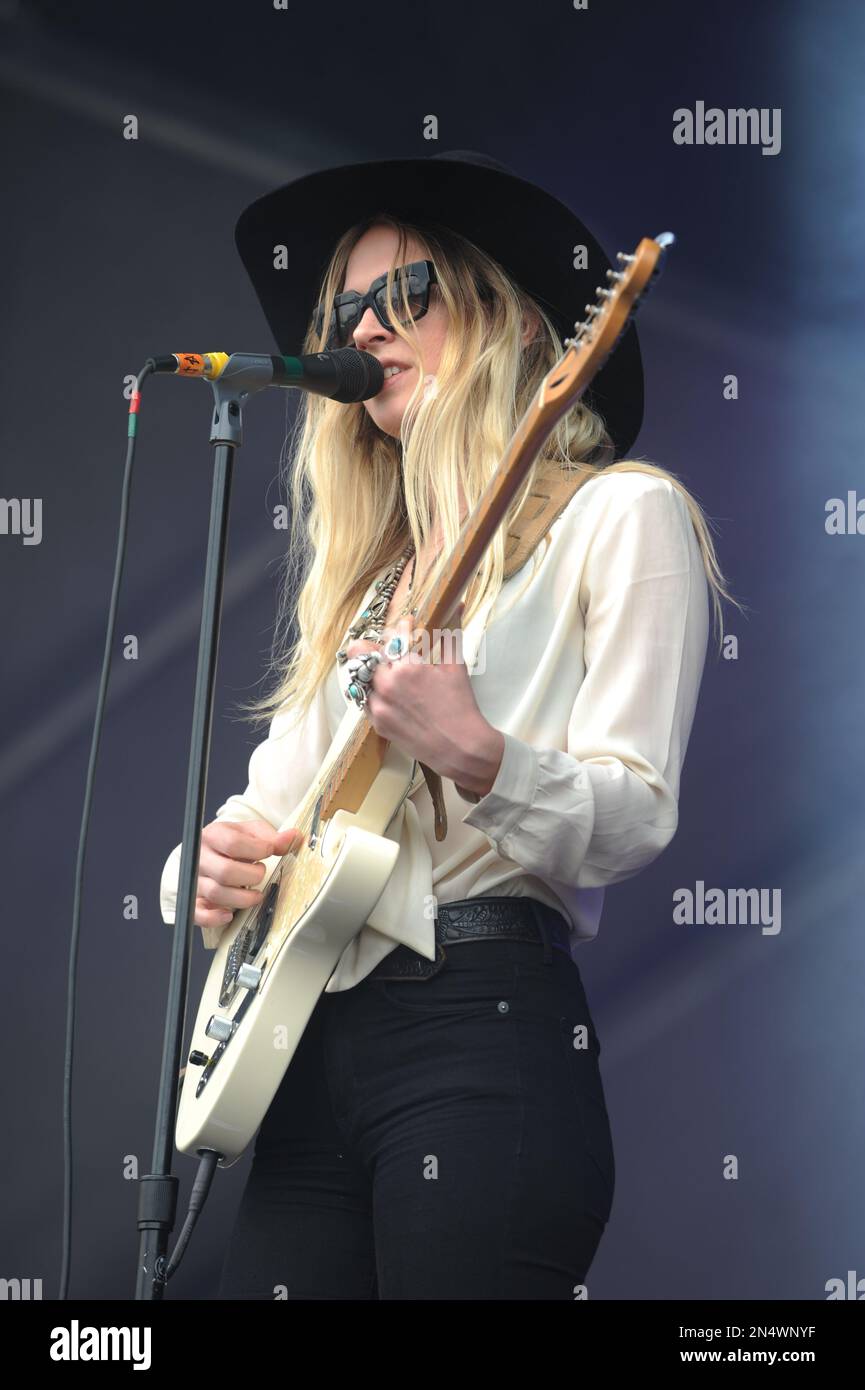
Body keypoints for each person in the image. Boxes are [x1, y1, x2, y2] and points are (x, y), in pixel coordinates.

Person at [159, 151, 740, 1299]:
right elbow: (266, 809)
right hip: (308, 1050)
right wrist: (207, 872)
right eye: (347, 308)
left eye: (408, 293)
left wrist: (476, 751)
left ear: (521, 321)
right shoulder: (368, 587)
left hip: (482, 1027)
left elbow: (633, 814)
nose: (368, 329)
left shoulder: (620, 515)